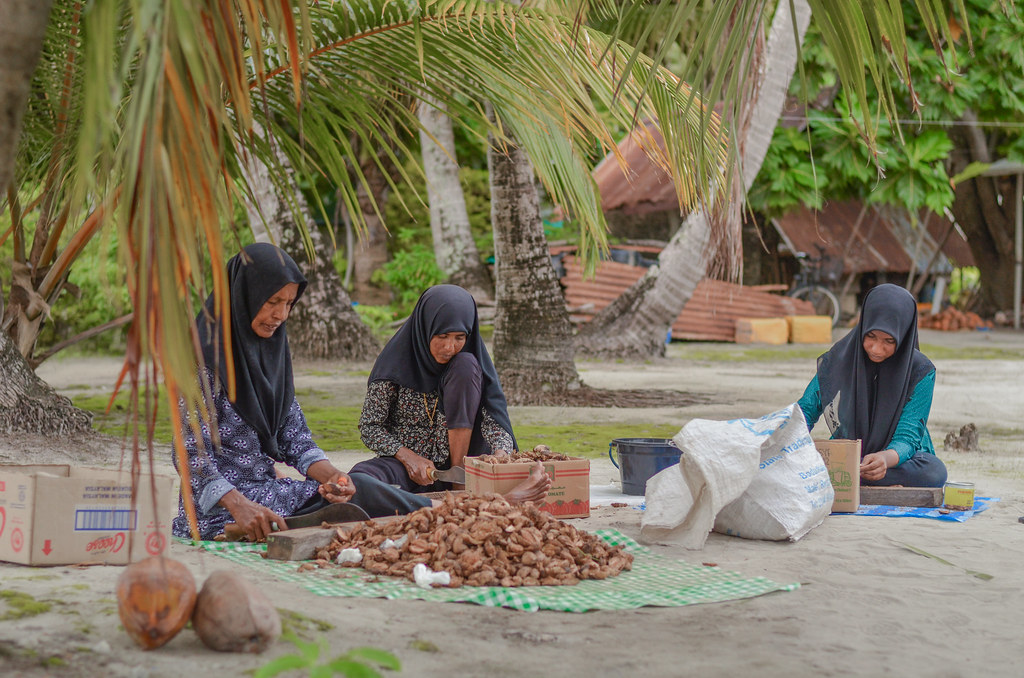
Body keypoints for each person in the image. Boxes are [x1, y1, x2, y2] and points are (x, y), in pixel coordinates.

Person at [172, 246, 548, 542]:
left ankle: (281, 523)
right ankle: (485, 508)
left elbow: (296, 440)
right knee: (367, 486)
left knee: (353, 495)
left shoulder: (270, 358)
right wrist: (239, 505)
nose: (280, 315)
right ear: (243, 297)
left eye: (289, 304)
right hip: (223, 504)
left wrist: (334, 477)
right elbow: (188, 455)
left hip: (267, 493)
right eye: (272, 302)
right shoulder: (200, 359)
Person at [351, 284, 550, 502]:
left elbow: (495, 424)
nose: (450, 347)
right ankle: (461, 504)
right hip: (413, 471)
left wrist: (500, 455)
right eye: (442, 336)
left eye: (459, 337)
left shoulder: (472, 365)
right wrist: (408, 457)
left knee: (465, 364)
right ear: (425, 328)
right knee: (359, 480)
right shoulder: (393, 366)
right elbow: (370, 427)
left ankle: (456, 492)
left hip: (469, 470)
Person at [797, 283, 947, 488]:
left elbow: (908, 437)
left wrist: (884, 459)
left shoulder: (920, 371)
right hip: (851, 452)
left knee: (934, 473)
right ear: (863, 327)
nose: (877, 349)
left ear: (903, 337)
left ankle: (843, 476)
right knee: (806, 459)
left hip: (897, 459)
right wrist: (783, 442)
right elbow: (805, 409)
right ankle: (851, 474)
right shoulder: (840, 359)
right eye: (870, 336)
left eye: (889, 340)